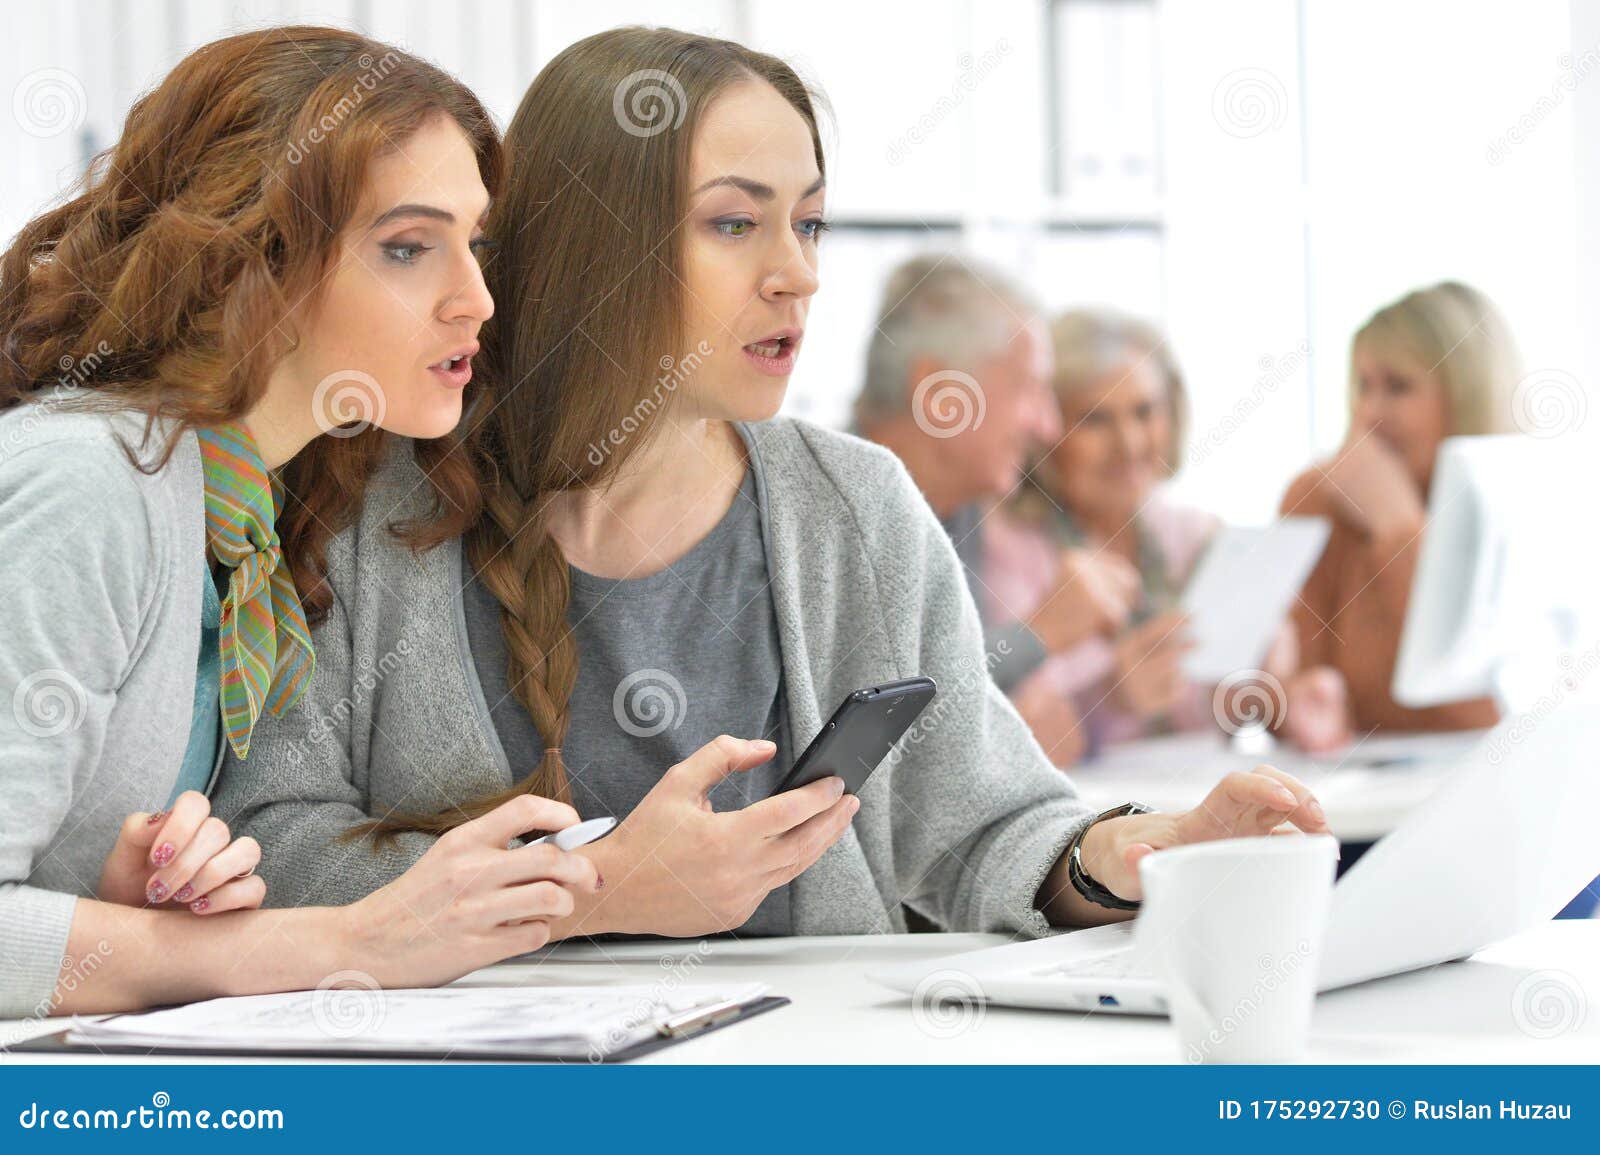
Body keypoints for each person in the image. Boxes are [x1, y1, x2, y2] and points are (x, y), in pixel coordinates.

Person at [217, 25, 1331, 943]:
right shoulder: (366, 505)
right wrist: (597, 884)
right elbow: (275, 847)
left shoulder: (853, 506)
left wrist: (1134, 854)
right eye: (735, 223)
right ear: (589, 244)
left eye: (807, 223)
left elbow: (990, 832)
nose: (796, 273)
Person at [0, 27, 596, 1019]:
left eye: (473, 243)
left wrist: (125, 895)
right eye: (408, 248)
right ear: (249, 266)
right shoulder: (88, 485)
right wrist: (343, 943)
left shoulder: (234, 512)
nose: (476, 300)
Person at [854, 261, 1142, 765]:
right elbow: (868, 729)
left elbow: (945, 708)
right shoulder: (831, 511)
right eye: (1029, 388)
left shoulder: (960, 510)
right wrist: (1037, 635)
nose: (1048, 426)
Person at [1278, 281, 1518, 743]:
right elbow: (1289, 688)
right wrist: (1297, 704)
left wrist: (1400, 533)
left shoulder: (1519, 504)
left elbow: (1497, 709)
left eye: (1398, 386)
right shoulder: (1319, 500)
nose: (1368, 412)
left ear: (1467, 395)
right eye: (1363, 386)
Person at [988, 309, 1222, 761]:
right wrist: (1109, 699)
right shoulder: (1005, 551)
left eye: (1145, 411)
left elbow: (1232, 702)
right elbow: (1018, 736)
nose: (1130, 444)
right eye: (1095, 420)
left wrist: (1282, 689)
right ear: (1045, 429)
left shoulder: (1195, 536)